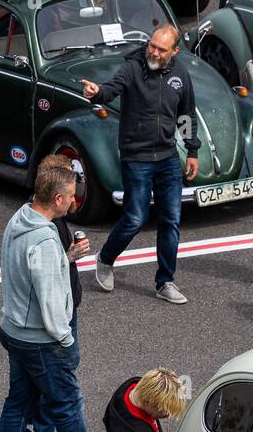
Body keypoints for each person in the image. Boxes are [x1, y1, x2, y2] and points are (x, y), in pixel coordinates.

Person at [0, 158, 113, 432]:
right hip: (42, 341)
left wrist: (66, 256)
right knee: (68, 406)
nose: (74, 201)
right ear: (57, 199)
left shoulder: (20, 219)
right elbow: (50, 299)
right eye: (70, 196)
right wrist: (66, 339)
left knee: (17, 403)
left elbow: (31, 271)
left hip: (14, 330)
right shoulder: (43, 239)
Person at [81, 25, 199, 303]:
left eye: (161, 49)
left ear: (174, 52)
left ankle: (165, 282)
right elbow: (111, 89)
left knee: (171, 221)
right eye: (152, 45)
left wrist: (193, 151)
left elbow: (187, 114)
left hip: (168, 157)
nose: (154, 52)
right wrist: (97, 93)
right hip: (137, 158)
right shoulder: (132, 69)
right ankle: (106, 258)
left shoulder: (180, 74)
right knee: (135, 219)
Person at [22, 154, 91, 432]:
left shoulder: (42, 217)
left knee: (35, 379)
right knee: (63, 377)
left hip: (55, 309)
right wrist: (70, 257)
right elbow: (46, 276)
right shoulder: (45, 225)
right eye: (70, 190)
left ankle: (34, 424)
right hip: (57, 315)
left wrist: (69, 254)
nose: (74, 197)